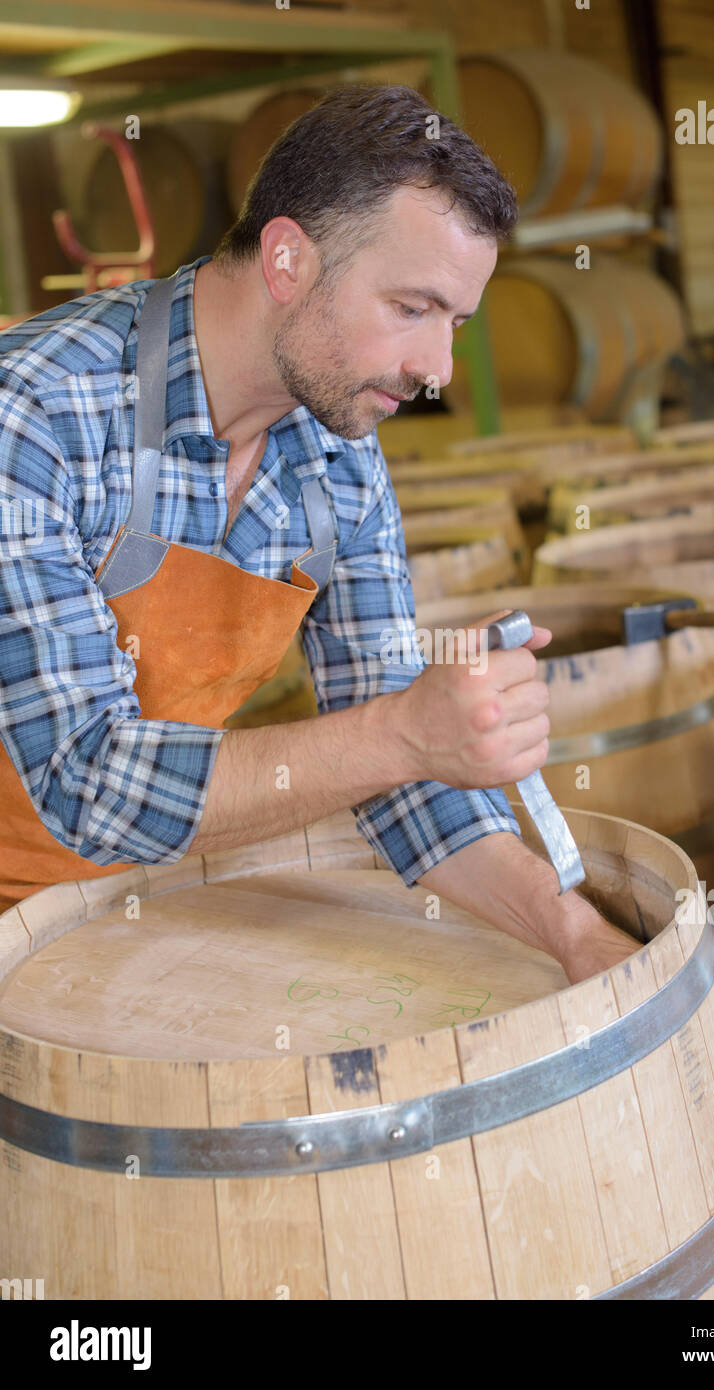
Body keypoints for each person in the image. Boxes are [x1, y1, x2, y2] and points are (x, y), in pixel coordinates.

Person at [0, 83, 636, 984]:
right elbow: (87, 781)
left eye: (455, 323)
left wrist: (575, 935)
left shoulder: (335, 451)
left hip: (116, 904)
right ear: (289, 259)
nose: (437, 369)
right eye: (411, 308)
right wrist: (407, 733)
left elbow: (399, 771)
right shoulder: (31, 415)